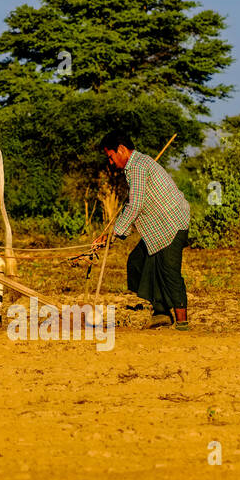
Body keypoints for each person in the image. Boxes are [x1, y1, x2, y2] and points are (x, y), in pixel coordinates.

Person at [92, 130, 191, 331]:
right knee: (138, 263)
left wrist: (114, 234)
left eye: (111, 157)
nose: (111, 162)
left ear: (121, 150)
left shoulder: (137, 167)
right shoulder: (137, 166)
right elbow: (136, 202)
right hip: (156, 230)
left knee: (169, 273)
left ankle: (182, 323)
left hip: (170, 224)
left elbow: (135, 205)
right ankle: (161, 313)